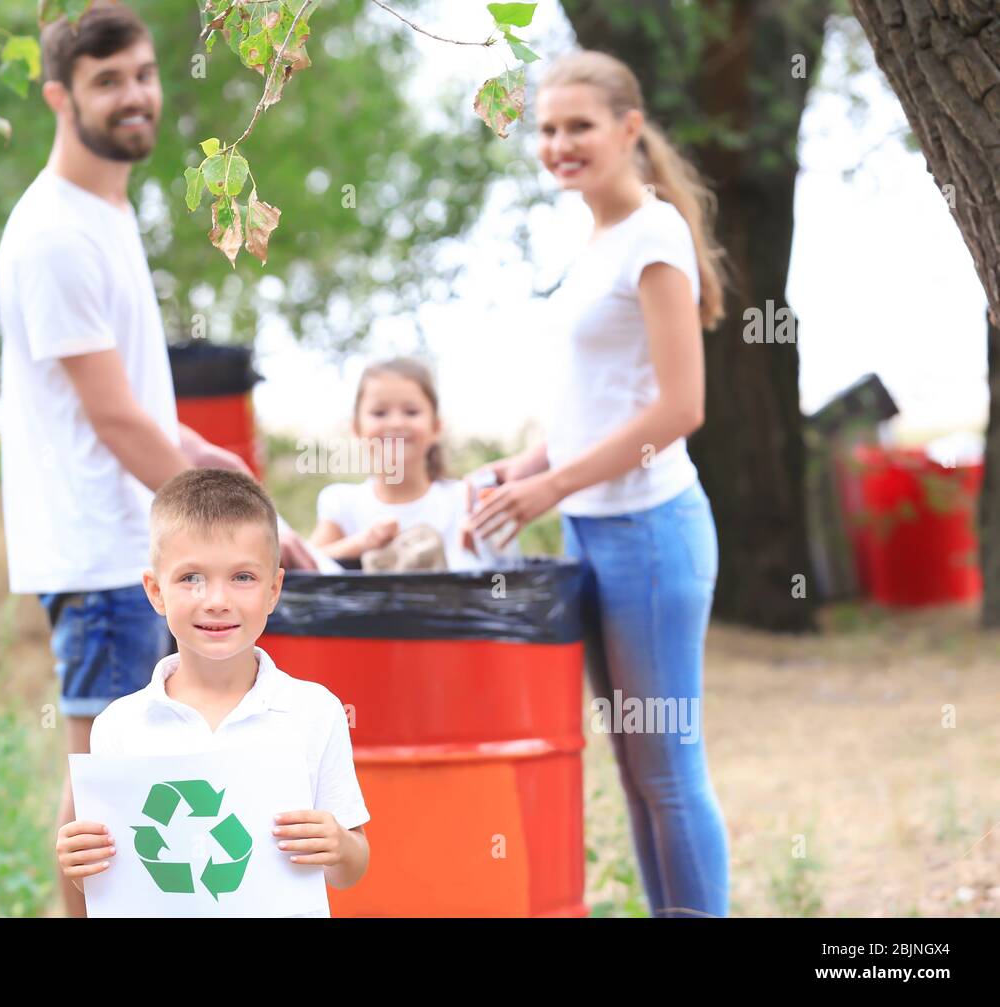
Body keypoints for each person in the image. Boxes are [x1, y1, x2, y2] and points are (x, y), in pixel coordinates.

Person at [0, 1, 314, 919]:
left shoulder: (104, 209)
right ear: (61, 97)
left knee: (139, 790)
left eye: (141, 74)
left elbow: (148, 411)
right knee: (100, 792)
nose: (134, 96)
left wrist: (228, 468)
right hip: (103, 560)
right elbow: (115, 423)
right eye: (106, 82)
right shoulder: (56, 232)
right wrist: (238, 529)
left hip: (130, 552)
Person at [469, 50, 731, 917]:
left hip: (651, 534)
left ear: (628, 128)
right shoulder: (596, 240)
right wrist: (529, 467)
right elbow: (599, 404)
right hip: (593, 527)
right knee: (634, 769)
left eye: (578, 126)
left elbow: (680, 406)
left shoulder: (654, 235)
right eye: (546, 129)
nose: (558, 144)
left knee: (667, 766)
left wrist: (554, 487)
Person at [55, 469, 371, 915]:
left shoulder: (314, 712)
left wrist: (338, 845)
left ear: (274, 590)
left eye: (243, 577)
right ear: (155, 591)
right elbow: (115, 882)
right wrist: (81, 864)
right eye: (191, 578)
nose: (217, 599)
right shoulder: (119, 727)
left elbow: (351, 868)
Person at [309, 358, 480, 570]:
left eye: (411, 412)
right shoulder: (342, 503)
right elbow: (307, 564)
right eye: (379, 413)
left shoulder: (463, 500)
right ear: (357, 428)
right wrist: (361, 544)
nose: (396, 423)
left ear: (436, 427)